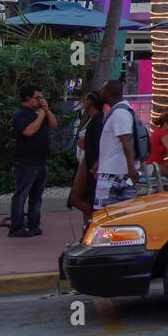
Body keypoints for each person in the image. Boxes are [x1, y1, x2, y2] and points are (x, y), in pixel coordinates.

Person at [8, 84, 56, 237]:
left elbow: (54, 124)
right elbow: (28, 131)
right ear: (28, 98)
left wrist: (46, 111)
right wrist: (41, 115)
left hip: (41, 160)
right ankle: (17, 227)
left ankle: (34, 224)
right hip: (26, 161)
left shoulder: (41, 111)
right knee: (21, 194)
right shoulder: (20, 115)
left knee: (37, 195)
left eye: (41, 97)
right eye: (37, 97)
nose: (41, 100)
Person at [95, 80, 139, 209]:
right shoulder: (119, 111)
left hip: (114, 176)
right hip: (115, 172)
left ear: (110, 92)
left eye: (103, 89)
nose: (101, 92)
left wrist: (131, 168)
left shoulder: (120, 113)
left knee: (106, 217)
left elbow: (126, 142)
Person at [67, 91, 101, 226]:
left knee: (75, 198)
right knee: (83, 198)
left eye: (85, 100)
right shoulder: (90, 119)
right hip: (83, 160)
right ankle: (88, 226)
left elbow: (96, 143)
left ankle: (96, 219)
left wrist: (85, 144)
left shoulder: (97, 120)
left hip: (87, 162)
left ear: (90, 102)